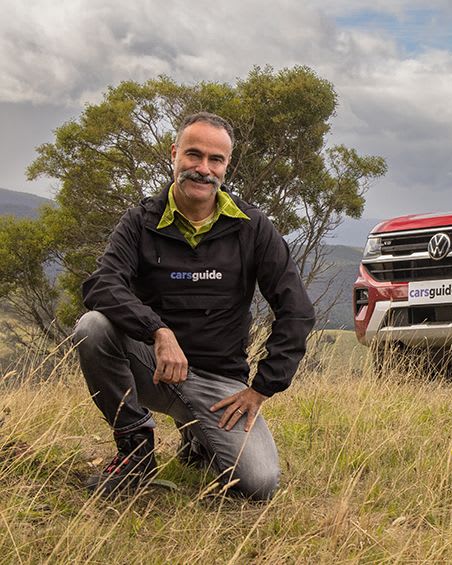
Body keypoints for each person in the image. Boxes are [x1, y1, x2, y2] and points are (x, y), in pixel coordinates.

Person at [73, 112, 316, 499]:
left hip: (222, 385)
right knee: (93, 326)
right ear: (174, 154)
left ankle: (198, 438)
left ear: (226, 166)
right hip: (154, 367)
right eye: (193, 155)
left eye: (215, 160)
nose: (203, 169)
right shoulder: (140, 221)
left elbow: (297, 310)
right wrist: (158, 331)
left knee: (257, 484)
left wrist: (262, 388)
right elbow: (102, 284)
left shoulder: (251, 227)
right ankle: (135, 449)